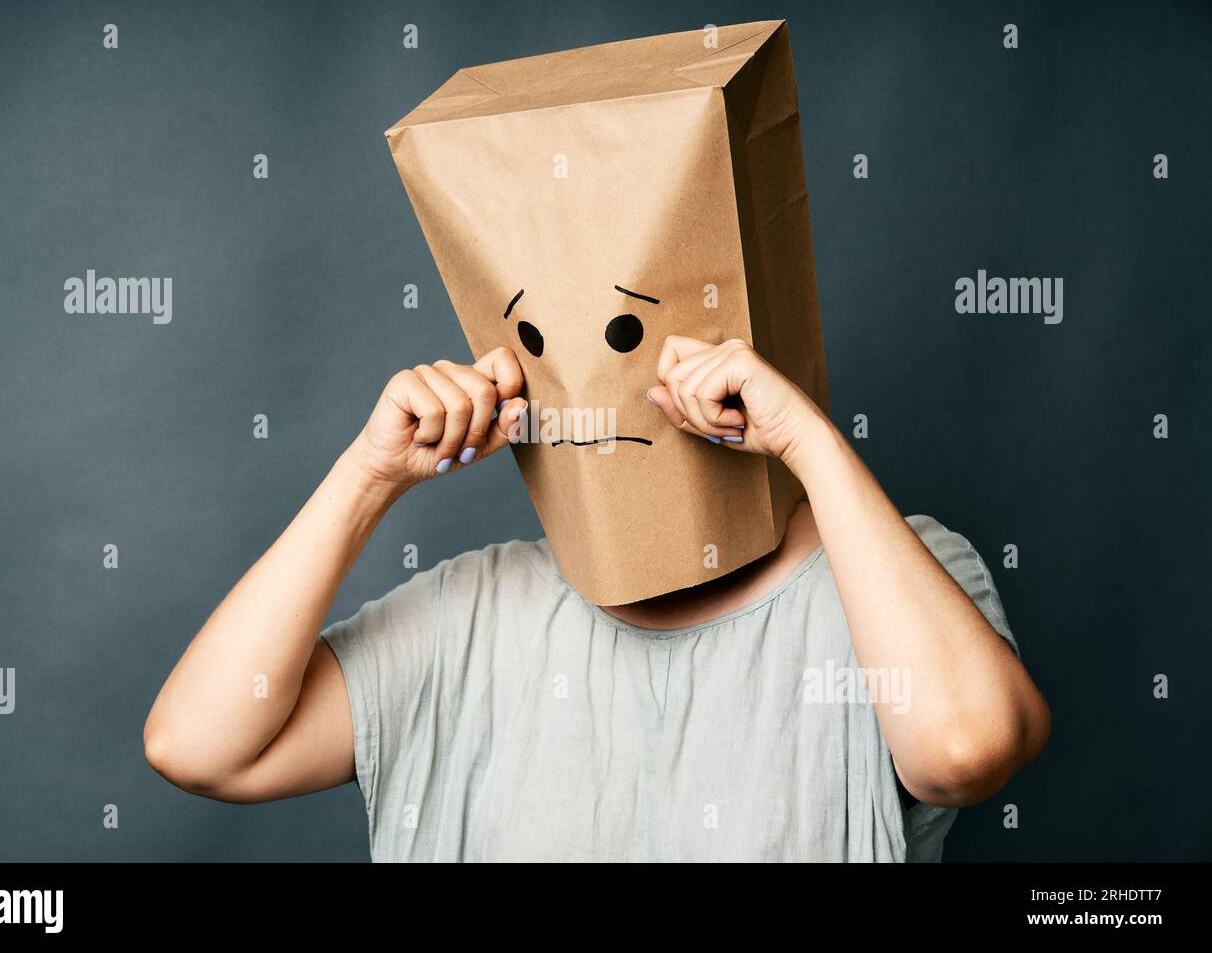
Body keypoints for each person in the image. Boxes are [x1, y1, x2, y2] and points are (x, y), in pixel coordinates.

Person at [143, 336, 1051, 861]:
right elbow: (199, 746)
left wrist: (808, 439)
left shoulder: (892, 572)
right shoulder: (475, 610)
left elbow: (967, 750)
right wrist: (368, 476)